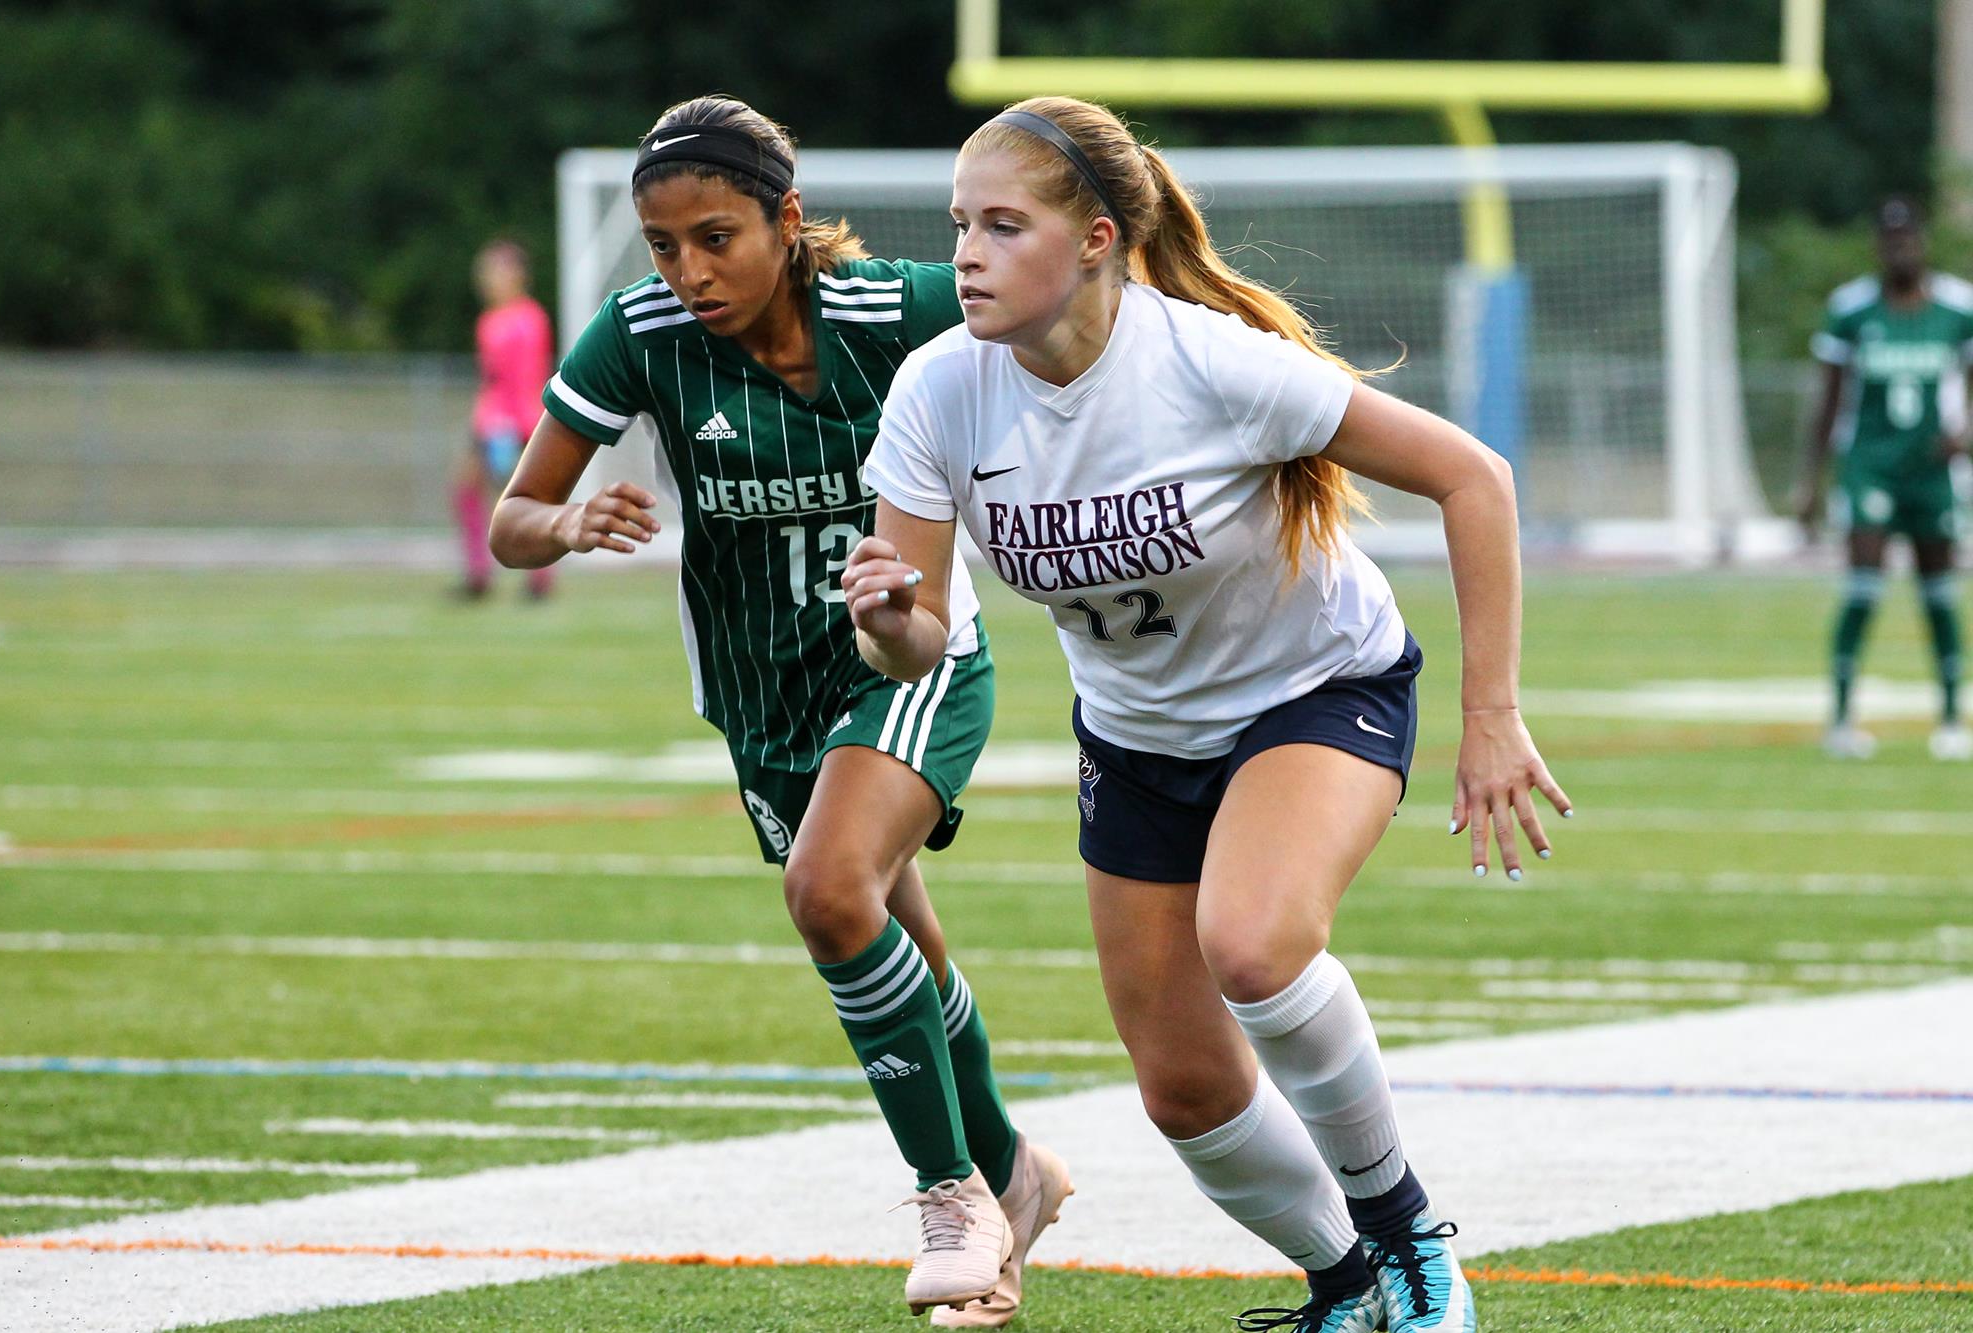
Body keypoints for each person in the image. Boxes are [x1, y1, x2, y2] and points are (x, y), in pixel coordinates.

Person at [845, 96, 1571, 1333]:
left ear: (1097, 239)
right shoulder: (935, 392)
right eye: (958, 222)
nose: (963, 251)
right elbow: (913, 641)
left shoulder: (1206, 362)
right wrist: (884, 615)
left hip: (1313, 690)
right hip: (1135, 738)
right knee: (1179, 1089)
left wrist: (1489, 712)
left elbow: (1472, 475)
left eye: (1001, 224)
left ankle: (1410, 1244)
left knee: (1251, 945)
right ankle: (1344, 1289)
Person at [487, 96, 1069, 1326]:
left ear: (786, 220)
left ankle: (949, 1193)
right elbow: (511, 519)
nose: (687, 271)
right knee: (885, 931)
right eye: (662, 245)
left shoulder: (897, 309)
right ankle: (1015, 1169)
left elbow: (1052, 310)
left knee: (824, 894)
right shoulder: (639, 334)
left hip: (907, 659)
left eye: (716, 237)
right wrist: (571, 521)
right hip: (759, 696)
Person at [1796, 197, 1971, 761]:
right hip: (1870, 465)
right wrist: (1810, 482)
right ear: (1878, 246)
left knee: (1939, 593)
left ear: (1922, 242)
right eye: (1890, 240)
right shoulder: (1852, 310)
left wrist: (1964, 434)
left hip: (1930, 471)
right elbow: (1827, 400)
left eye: (1909, 238)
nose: (1900, 249)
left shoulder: (1956, 308)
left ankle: (1950, 717)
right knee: (1864, 587)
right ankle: (1842, 717)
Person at [456, 239, 556, 601]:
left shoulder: (529, 319)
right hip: (489, 419)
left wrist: (515, 426)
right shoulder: (489, 321)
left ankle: (539, 577)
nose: (488, 280)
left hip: (515, 423)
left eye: (495, 271)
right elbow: (491, 379)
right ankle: (478, 574)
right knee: (466, 491)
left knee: (520, 500)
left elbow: (528, 377)